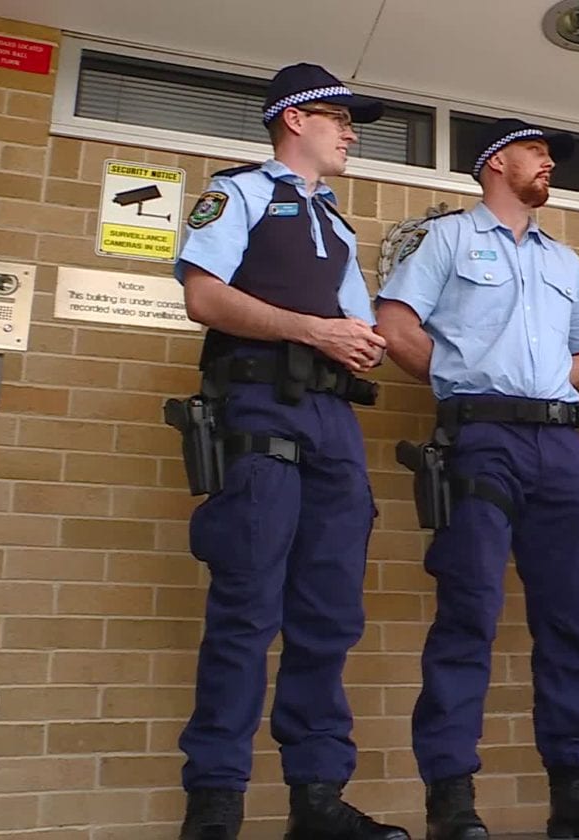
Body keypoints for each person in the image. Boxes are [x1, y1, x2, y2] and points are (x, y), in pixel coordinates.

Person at [375, 118, 579, 840]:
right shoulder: (447, 239)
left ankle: (574, 791)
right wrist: (468, 379)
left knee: (576, 617)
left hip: (559, 444)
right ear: (497, 163)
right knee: (469, 610)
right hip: (482, 437)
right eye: (537, 152)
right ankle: (450, 797)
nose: (548, 164)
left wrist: (543, 381)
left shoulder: (563, 262)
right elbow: (396, 324)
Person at [172, 63, 406, 840]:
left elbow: (353, 328)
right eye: (340, 118)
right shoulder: (236, 193)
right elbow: (204, 297)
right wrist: (313, 331)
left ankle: (316, 798)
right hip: (259, 406)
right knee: (246, 610)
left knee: (328, 614)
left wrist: (360, 343)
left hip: (333, 422)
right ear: (295, 119)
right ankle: (215, 804)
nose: (350, 133)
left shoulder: (338, 223)